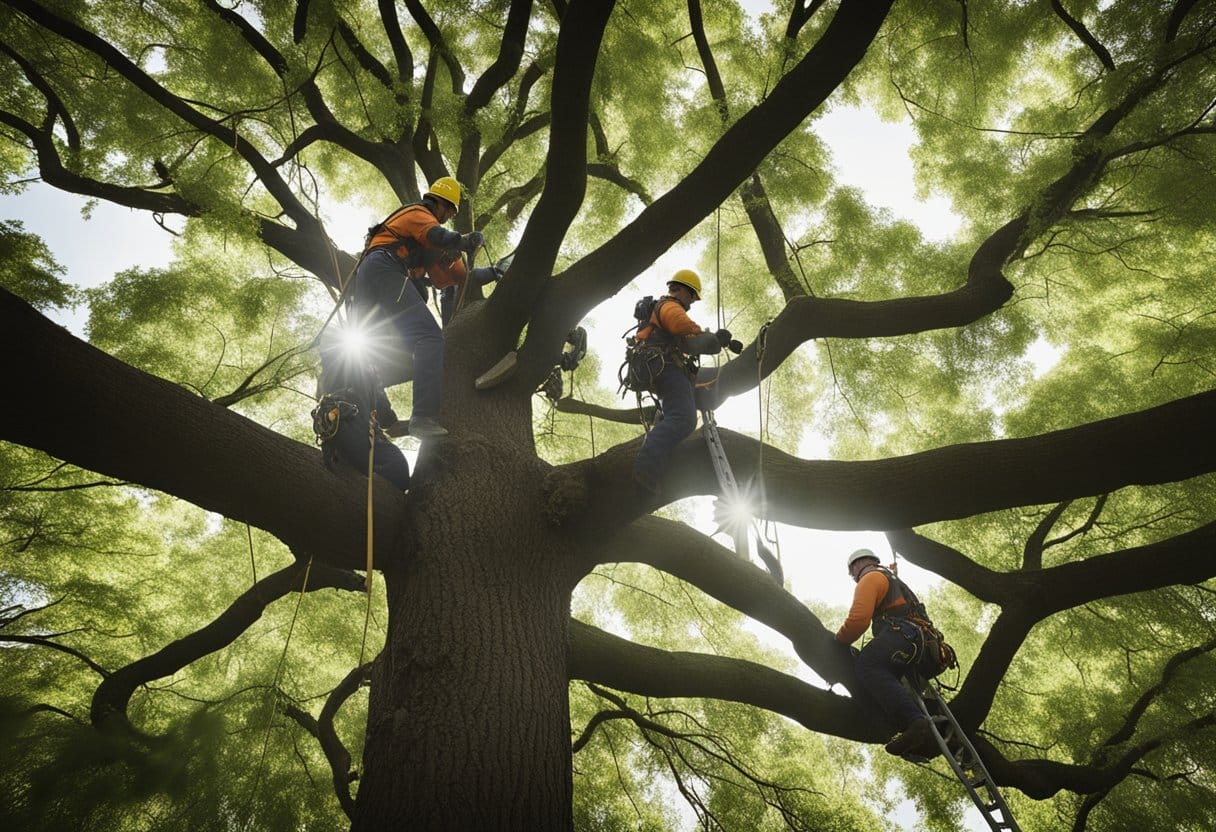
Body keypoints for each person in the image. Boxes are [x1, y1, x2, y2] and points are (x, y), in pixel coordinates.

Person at [353, 176, 497, 437]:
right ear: (439, 203)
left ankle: (379, 412)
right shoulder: (417, 213)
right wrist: (462, 241)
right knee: (429, 337)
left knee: (370, 347)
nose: (447, 217)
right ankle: (422, 418)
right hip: (384, 268)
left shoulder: (424, 245)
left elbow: (457, 279)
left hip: (368, 281)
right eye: (449, 211)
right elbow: (436, 234)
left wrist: (495, 272)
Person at [630, 269, 740, 493]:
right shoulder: (669, 306)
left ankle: (657, 460)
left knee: (674, 415)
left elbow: (684, 340)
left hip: (660, 369)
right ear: (681, 290)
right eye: (692, 297)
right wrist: (713, 340)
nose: (691, 303)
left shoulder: (661, 309)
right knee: (684, 419)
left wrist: (720, 342)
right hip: (666, 369)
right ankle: (646, 466)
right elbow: (689, 337)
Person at [835, 548, 939, 758]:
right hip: (921, 644)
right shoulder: (891, 580)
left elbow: (858, 620)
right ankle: (916, 724)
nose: (852, 576)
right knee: (885, 675)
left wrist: (839, 640)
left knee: (868, 664)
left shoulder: (871, 577)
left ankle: (914, 723)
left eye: (852, 571)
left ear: (858, 564)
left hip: (904, 633)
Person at [313, 332, 411, 491]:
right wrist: (421, 423)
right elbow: (389, 423)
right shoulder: (367, 369)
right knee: (398, 470)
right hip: (366, 444)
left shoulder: (322, 382)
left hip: (336, 450)